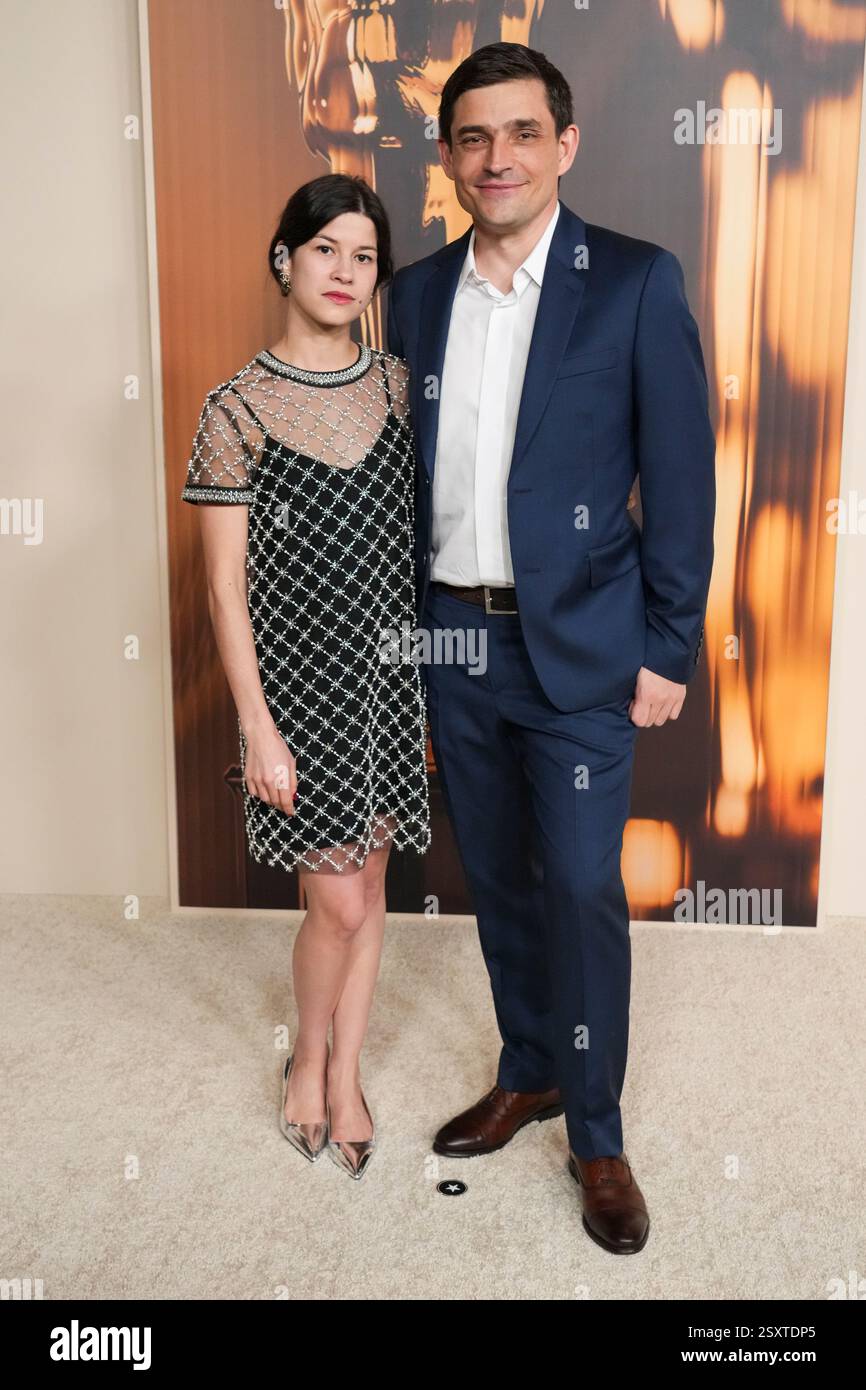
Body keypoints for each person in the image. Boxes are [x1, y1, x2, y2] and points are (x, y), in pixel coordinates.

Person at [387, 43, 716, 1251]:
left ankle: (596, 1131)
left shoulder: (631, 281)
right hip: (452, 639)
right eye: (472, 138)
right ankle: (525, 1067)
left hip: (581, 649)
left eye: (520, 133)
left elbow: (679, 480)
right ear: (449, 158)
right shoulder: (415, 294)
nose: (497, 158)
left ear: (562, 146)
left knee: (581, 887)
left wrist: (669, 645)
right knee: (497, 878)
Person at [181, 173, 431, 1180]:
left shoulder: (395, 389)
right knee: (331, 901)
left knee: (369, 889)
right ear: (283, 258)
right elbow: (222, 588)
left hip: (387, 684)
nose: (344, 270)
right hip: (298, 696)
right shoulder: (233, 409)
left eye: (364, 256)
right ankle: (307, 1053)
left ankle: (345, 1067)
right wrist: (257, 726)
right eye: (325, 247)